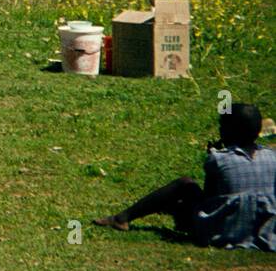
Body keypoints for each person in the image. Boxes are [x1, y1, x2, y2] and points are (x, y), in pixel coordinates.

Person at [95, 103, 276, 250]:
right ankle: (169, 210)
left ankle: (122, 218)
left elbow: (211, 200)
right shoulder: (272, 156)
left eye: (222, 127)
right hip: (265, 233)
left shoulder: (219, 159)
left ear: (230, 131)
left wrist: (213, 155)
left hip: (224, 231)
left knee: (185, 184)